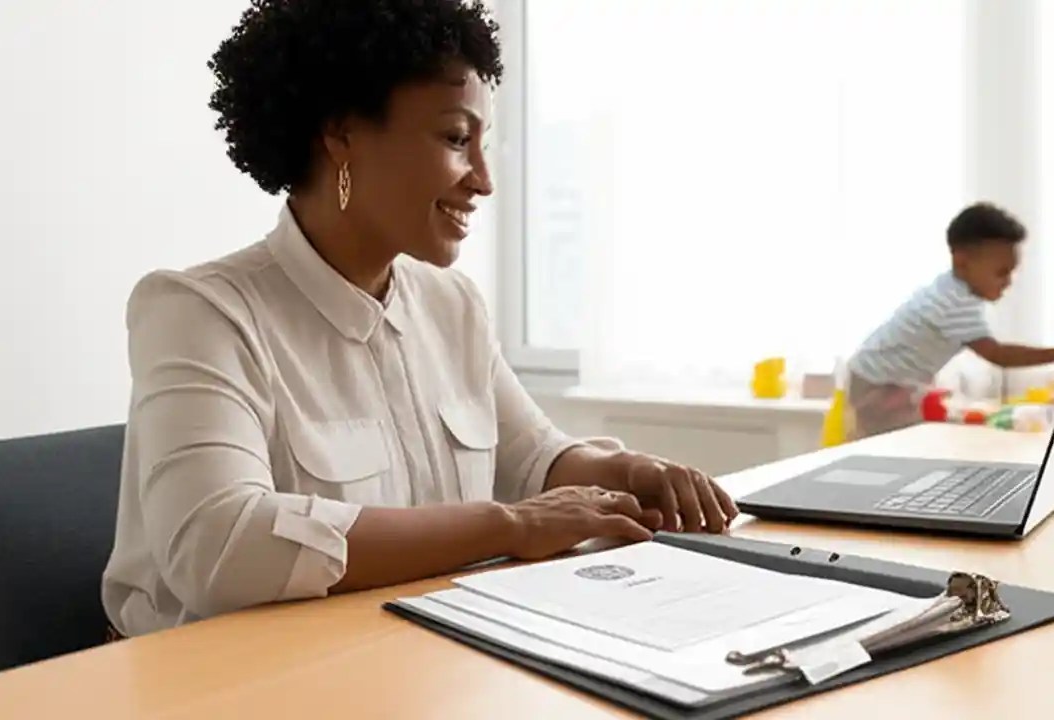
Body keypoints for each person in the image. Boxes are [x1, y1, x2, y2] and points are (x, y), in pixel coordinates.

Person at [101, 0, 737, 639]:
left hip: (403, 657)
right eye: (457, 139)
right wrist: (508, 526)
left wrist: (629, 477)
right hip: (220, 684)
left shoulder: (451, 304)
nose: (483, 181)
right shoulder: (200, 313)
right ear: (342, 131)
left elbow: (534, 460)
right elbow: (219, 547)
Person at [846, 202, 1054, 439]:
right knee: (894, 447)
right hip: (878, 385)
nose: (1008, 282)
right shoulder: (953, 303)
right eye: (1001, 272)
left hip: (883, 380)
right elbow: (999, 355)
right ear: (962, 262)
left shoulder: (951, 290)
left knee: (907, 440)